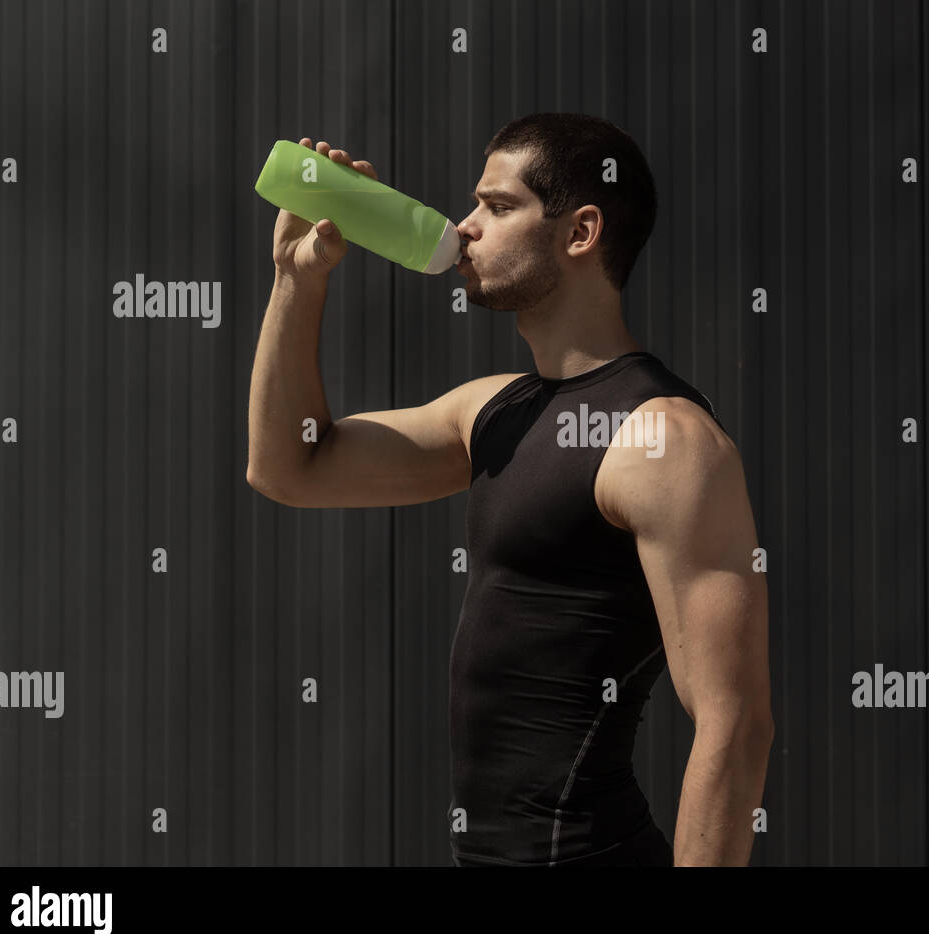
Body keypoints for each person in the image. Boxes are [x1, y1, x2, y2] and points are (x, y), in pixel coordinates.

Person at [247, 113, 773, 866]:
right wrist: (297, 282)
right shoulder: (493, 411)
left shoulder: (665, 441)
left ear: (580, 232)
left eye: (496, 207)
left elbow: (737, 722)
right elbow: (288, 468)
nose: (463, 229)